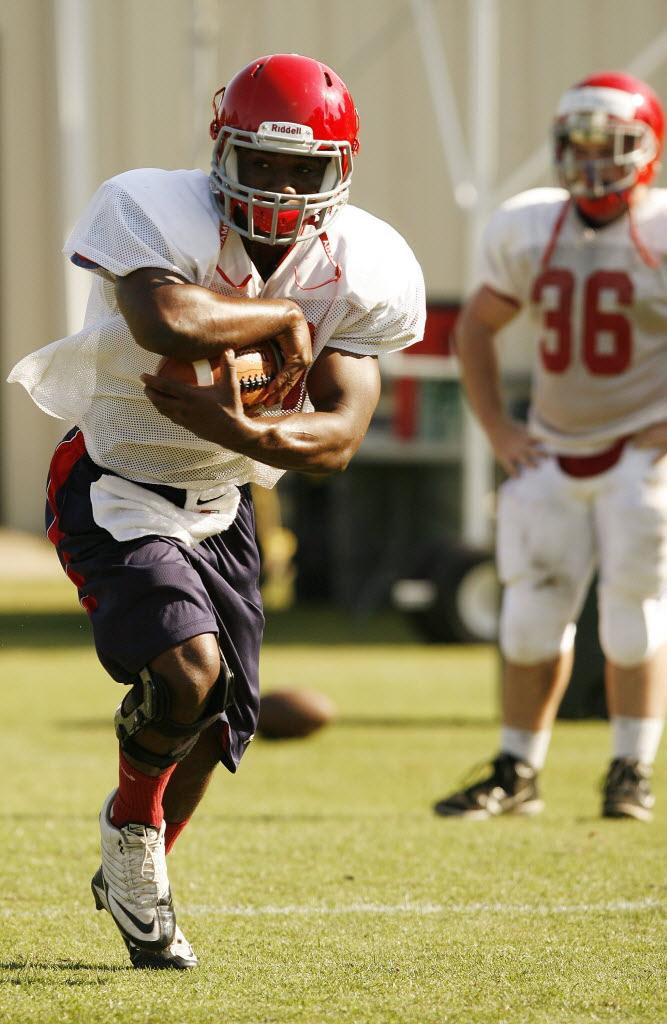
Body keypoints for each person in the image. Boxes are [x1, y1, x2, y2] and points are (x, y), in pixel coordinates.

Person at [9, 53, 425, 968]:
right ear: (219, 150)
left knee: (217, 720)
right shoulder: (149, 206)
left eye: (302, 169)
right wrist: (279, 324)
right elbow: (163, 320)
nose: (279, 187)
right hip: (115, 482)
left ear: (339, 173)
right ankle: (131, 839)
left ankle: (138, 856)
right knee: (188, 676)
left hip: (223, 500)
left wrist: (245, 433)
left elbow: (340, 435)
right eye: (261, 162)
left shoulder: (364, 262)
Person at [434, 71, 667, 823]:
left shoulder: (658, 229)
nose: (593, 162)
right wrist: (499, 428)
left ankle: (629, 768)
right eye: (579, 144)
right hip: (549, 448)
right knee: (528, 620)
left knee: (632, 616)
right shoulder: (529, 225)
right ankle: (517, 770)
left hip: (639, 453)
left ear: (648, 150)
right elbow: (473, 329)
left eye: (611, 145)